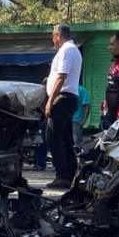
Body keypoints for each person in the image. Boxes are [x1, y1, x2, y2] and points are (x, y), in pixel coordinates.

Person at [45, 24, 82, 189]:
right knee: (66, 138)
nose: (52, 39)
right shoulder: (73, 49)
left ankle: (62, 175)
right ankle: (72, 173)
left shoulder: (67, 50)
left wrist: (50, 100)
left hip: (63, 98)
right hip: (69, 98)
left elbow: (61, 77)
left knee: (52, 136)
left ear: (59, 35)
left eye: (53, 36)